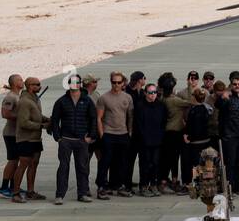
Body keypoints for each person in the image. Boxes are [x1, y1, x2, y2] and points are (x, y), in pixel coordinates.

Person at [49, 73, 99, 204]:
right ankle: (59, 195)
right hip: (65, 139)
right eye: (72, 82)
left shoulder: (87, 100)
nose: (75, 85)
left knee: (82, 167)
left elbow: (93, 118)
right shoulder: (61, 101)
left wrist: (91, 136)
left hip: (82, 140)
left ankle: (82, 193)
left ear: (81, 84)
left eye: (77, 82)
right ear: (69, 84)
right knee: (63, 167)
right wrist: (58, 137)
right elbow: (55, 120)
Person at [10, 76, 50, 204]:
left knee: (34, 165)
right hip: (25, 139)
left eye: (39, 84)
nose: (40, 86)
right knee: (23, 166)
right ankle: (15, 193)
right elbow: (23, 122)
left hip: (36, 139)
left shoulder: (35, 100)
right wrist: (41, 126)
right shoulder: (25, 102)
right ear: (30, 86)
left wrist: (46, 119)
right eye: (37, 84)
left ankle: (30, 191)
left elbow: (36, 115)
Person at [97, 71, 134, 199]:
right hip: (108, 133)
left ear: (123, 83)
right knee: (105, 161)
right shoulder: (104, 98)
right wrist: (102, 134)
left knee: (121, 162)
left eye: (119, 82)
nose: (116, 85)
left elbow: (130, 116)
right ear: (111, 82)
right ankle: (101, 186)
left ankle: (118, 186)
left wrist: (129, 131)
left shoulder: (127, 97)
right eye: (114, 82)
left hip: (123, 134)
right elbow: (99, 117)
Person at [218, 71, 239, 195]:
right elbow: (219, 107)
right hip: (229, 137)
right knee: (230, 163)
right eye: (235, 84)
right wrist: (223, 98)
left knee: (238, 162)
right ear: (231, 85)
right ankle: (229, 187)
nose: (237, 86)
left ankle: (236, 186)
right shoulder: (227, 98)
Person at [160, 73, 192, 193]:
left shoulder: (162, 98)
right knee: (173, 159)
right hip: (175, 132)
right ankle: (171, 180)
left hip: (167, 132)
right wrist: (189, 87)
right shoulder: (174, 100)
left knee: (167, 158)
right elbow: (190, 102)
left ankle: (165, 180)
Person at [134, 82, 166, 196]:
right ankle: (143, 186)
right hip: (144, 141)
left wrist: (160, 136)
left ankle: (153, 185)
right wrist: (143, 138)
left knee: (155, 164)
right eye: (150, 92)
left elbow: (163, 123)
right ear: (145, 93)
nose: (152, 95)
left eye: (154, 92)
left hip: (157, 141)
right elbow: (138, 124)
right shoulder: (140, 106)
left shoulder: (160, 106)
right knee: (145, 164)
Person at [0, 74, 23, 198]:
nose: (22, 81)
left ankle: (14, 186)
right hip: (10, 134)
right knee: (12, 160)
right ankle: (4, 187)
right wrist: (21, 118)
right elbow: (5, 113)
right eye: (19, 80)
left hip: (17, 133)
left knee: (17, 160)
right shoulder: (11, 97)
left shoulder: (18, 96)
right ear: (13, 83)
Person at [182, 87, 213, 185]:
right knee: (205, 163)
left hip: (196, 143)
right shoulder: (206, 109)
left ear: (194, 98)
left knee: (194, 164)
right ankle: (205, 182)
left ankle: (193, 183)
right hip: (206, 141)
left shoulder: (194, 111)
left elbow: (195, 127)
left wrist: (188, 136)